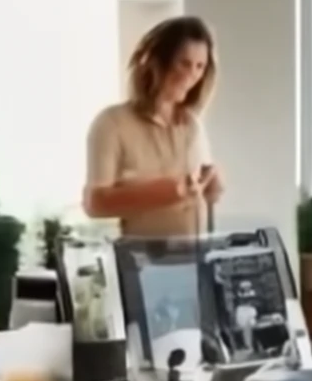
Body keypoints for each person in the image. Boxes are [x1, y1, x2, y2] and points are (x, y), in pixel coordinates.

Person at [83, 15, 222, 238]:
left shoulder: (193, 126)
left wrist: (212, 189)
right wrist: (172, 191)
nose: (192, 75)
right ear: (156, 63)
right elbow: (95, 203)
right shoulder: (111, 123)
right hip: (141, 267)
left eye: (200, 66)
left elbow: (201, 193)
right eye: (184, 63)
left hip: (195, 263)